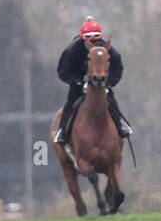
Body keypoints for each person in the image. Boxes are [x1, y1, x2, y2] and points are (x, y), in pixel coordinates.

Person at [54, 17, 131, 145]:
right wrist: (77, 81)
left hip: (101, 82)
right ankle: (63, 131)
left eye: (96, 38)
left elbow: (118, 67)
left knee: (110, 99)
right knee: (71, 102)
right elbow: (63, 70)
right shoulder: (73, 49)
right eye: (89, 39)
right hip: (78, 82)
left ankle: (120, 124)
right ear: (83, 38)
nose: (93, 42)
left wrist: (110, 81)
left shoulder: (107, 49)